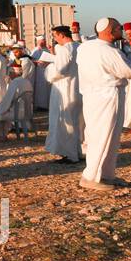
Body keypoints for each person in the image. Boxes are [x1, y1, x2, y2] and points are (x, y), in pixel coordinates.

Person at [75, 17, 131, 190]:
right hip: (108, 95)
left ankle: (105, 175)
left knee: (106, 136)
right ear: (110, 32)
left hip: (93, 96)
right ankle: (91, 177)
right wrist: (129, 52)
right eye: (119, 28)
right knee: (103, 136)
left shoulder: (85, 47)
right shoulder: (110, 51)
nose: (122, 31)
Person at [44, 25, 81, 164]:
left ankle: (70, 155)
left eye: (55, 36)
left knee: (67, 122)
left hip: (65, 89)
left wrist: (48, 69)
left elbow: (60, 70)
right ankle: (76, 151)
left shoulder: (66, 49)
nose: (55, 39)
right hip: (76, 87)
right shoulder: (78, 47)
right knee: (75, 122)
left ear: (61, 35)